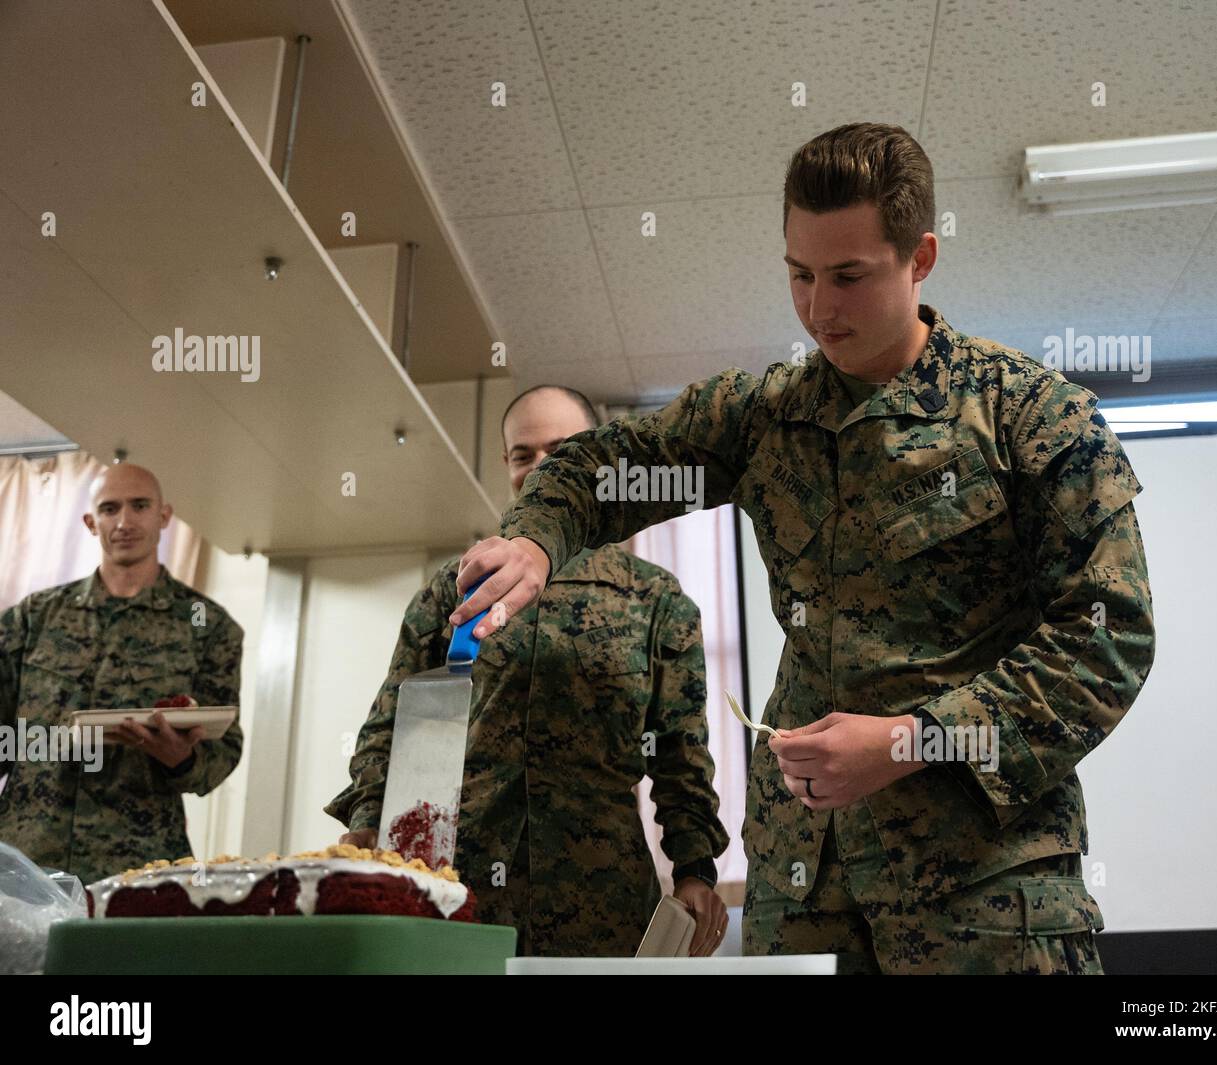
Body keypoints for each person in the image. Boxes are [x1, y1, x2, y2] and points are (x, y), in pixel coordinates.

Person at [448, 123, 1156, 974]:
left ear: (919, 256)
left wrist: (911, 740)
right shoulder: (762, 418)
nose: (820, 308)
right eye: (800, 274)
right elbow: (608, 465)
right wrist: (536, 537)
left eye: (850, 276)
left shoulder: (1030, 415)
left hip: (986, 892)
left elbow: (1106, 641)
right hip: (804, 888)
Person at [326, 385, 730, 956]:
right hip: (460, 888)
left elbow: (680, 754)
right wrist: (369, 819)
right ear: (506, 465)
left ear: (602, 458)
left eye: (562, 450)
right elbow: (392, 724)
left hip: (601, 896)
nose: (540, 468)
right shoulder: (456, 587)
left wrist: (695, 868)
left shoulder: (655, 600)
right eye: (523, 454)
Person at [0, 463, 243, 884]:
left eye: (140, 506)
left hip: (140, 865)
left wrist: (180, 758)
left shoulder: (207, 626)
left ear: (163, 516)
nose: (125, 522)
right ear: (91, 522)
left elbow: (223, 749)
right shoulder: (33, 617)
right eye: (110, 509)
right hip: (28, 860)